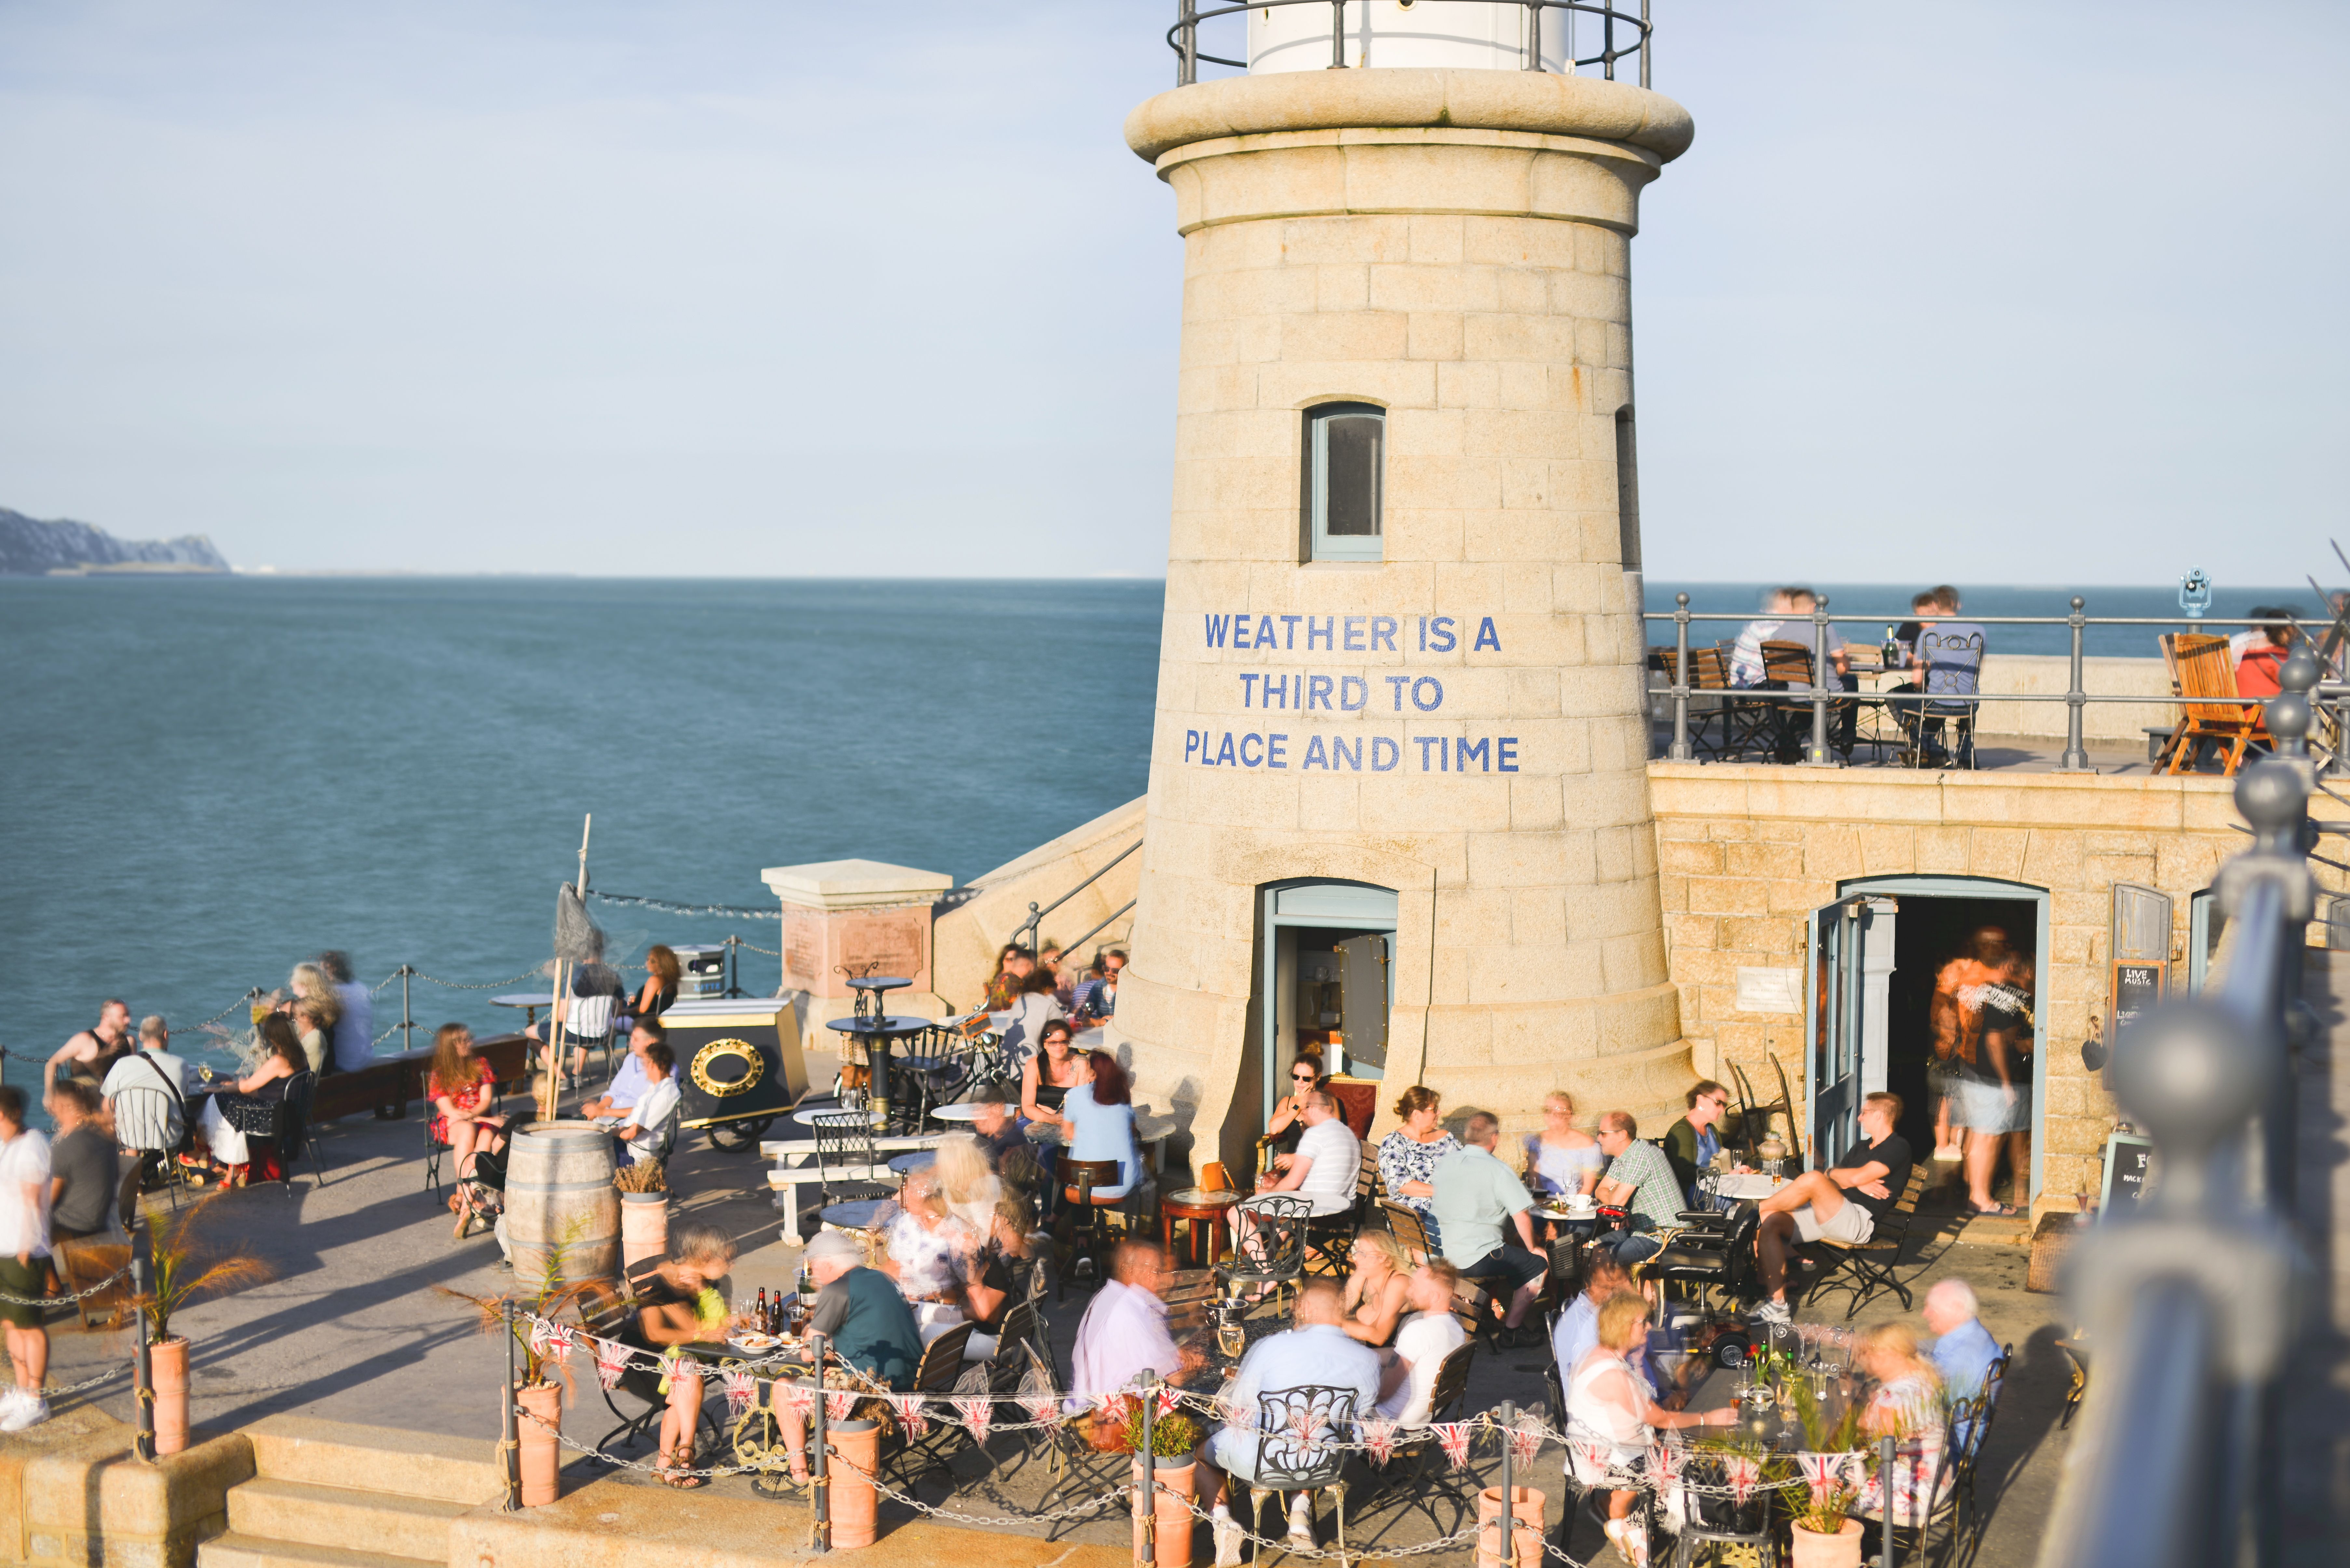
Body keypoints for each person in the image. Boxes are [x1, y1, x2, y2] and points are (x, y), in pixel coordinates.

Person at [1200, 1280, 1382, 1560]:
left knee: (1199, 1455)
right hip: (1328, 1461)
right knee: (1315, 1432)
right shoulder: (1367, 1358)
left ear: (1307, 1308)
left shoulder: (1273, 1346)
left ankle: (1224, 1522)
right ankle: (1299, 1518)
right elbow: (1362, 1413)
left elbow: (1242, 1402)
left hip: (1262, 1461)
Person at [1564, 1292, 1738, 1563]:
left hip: (1608, 1448)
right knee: (1684, 1470)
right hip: (1607, 1460)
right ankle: (1632, 1529)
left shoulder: (1602, 1354)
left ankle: (1637, 1538)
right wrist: (1709, 1417)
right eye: (1644, 1322)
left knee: (1679, 1455)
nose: (1649, 1327)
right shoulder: (1613, 1373)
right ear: (1626, 1327)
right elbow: (1659, 1419)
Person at [773, 1231, 927, 1485]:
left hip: (873, 1394)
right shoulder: (883, 1277)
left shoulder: (838, 1288)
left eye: (816, 1268)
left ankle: (798, 1472)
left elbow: (809, 1352)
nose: (815, 1276)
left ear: (829, 1263)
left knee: (782, 1387)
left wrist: (819, 1337)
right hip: (911, 1383)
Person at [1750, 1092, 1914, 1325]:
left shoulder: (1898, 1147)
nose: (1859, 1118)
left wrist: (1846, 1177)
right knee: (1770, 1221)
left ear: (1879, 1115)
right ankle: (1777, 1305)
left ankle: (1754, 1211)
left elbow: (1839, 1177)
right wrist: (1843, 1177)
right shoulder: (1861, 1148)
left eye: (1864, 1112)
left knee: (1811, 1180)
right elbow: (1835, 1178)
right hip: (1829, 1213)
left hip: (1856, 1221)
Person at [622, 1221, 738, 1488]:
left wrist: (704, 1293)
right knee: (689, 1376)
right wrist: (702, 1334)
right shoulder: (664, 1284)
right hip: (643, 1362)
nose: (731, 1265)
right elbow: (655, 1334)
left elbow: (717, 1323)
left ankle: (666, 1462)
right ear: (707, 1257)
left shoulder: (705, 1282)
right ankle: (685, 1451)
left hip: (682, 1357)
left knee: (688, 1373)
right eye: (728, 1259)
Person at [1428, 1112, 1544, 1343]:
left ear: (1468, 1136)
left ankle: (1490, 1313)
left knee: (1505, 1249)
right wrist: (1534, 1247)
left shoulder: (1446, 1163)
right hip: (1473, 1257)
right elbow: (1521, 1214)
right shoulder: (1498, 1170)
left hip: (1438, 1253)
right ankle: (1512, 1332)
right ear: (1495, 1137)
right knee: (1538, 1265)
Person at [1069, 1237, 1194, 1407]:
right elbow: (1175, 1379)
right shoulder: (1132, 1312)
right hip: (1112, 1416)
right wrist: (1196, 1363)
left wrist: (1175, 1355)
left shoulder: (1109, 1294)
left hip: (1096, 1403)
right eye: (1155, 1271)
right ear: (1128, 1271)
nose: (1158, 1278)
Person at [1852, 1322, 1949, 1528]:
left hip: (1912, 1493)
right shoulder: (1925, 1376)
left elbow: (1874, 1445)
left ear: (1890, 1355)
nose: (1864, 1360)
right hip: (1940, 1479)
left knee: (1825, 1483)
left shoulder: (1892, 1399)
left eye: (1869, 1354)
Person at [1958, 952, 2033, 1217]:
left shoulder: (1987, 992)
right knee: (1988, 1137)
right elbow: (1994, 1040)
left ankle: (1973, 1190)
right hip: (1990, 1078)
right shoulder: (2013, 995)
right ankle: (1980, 1198)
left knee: (1978, 1134)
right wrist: (2006, 1082)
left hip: (1974, 1071)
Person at [195, 1014, 304, 1185]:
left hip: (273, 1118)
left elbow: (247, 1088)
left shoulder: (280, 1060)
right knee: (230, 1101)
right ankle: (222, 1159)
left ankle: (216, 1154)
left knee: (220, 1100)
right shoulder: (300, 1055)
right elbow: (268, 1090)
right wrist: (235, 1086)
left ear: (274, 1037)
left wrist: (222, 1088)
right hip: (290, 1114)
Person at [1930, 927, 2007, 1162]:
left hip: (1958, 1053)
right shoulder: (1951, 989)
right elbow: (1949, 1022)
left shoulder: (1954, 988)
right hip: (1954, 1055)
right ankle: (1948, 1146)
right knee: (1951, 1101)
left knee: (1953, 1101)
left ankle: (1953, 1146)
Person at [0, 1087, 53, 1432]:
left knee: (29, 1325)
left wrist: (25, 1246)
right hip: (4, 1248)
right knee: (9, 1323)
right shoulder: (7, 1146)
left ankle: (36, 1398)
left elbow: (34, 1197)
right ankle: (20, 1391)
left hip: (25, 1251)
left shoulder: (33, 1144)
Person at [1374, 1260, 1468, 1426]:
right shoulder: (1456, 1329)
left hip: (1391, 1421)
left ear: (1435, 1296)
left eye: (1416, 1287)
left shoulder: (1417, 1330)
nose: (1409, 1292)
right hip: (1424, 1417)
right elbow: (1403, 1356)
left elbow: (1384, 1391)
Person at [427, 1023, 506, 1219]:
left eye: (470, 1037)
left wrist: (478, 1117)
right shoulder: (439, 1075)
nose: (470, 1042)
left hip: (483, 1120)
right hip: (453, 1124)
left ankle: (466, 1197)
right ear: (451, 1046)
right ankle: (468, 1194)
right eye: (464, 1040)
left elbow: (486, 1100)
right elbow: (450, 1112)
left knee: (486, 1134)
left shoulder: (481, 1064)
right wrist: (478, 1117)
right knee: (468, 1130)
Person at [1244, 1090, 1358, 1221]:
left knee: (1242, 1212)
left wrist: (1267, 1195)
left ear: (1313, 1109)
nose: (1302, 1115)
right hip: (1344, 1210)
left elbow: (1293, 1183)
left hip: (1317, 1210)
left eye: (1304, 1109)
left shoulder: (1315, 1134)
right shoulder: (1349, 1134)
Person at [1910, 587, 1987, 768]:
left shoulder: (1928, 635)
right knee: (1968, 703)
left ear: (1936, 605)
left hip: (1937, 703)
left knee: (1902, 703)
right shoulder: (1979, 632)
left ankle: (1935, 753)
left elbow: (1917, 680)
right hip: (1969, 702)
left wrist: (1925, 687)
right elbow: (1978, 669)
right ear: (1957, 604)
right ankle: (1965, 759)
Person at [1376, 1085, 1459, 1251]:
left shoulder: (1446, 1138)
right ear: (1416, 1114)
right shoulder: (1394, 1143)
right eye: (1434, 1109)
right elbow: (1402, 1185)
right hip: (1415, 1215)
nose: (1439, 1113)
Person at [103, 1016, 195, 1159]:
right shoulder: (181, 1064)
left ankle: (130, 1173)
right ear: (166, 1035)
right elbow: (184, 1100)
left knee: (132, 1130)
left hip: (129, 1135)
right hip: (167, 1136)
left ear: (140, 1036)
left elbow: (107, 1106)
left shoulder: (122, 1064)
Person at [1592, 1111, 1682, 1256]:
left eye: (1603, 1133)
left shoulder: (1640, 1156)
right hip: (1640, 1231)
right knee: (1589, 1248)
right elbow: (1600, 1191)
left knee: (1601, 1257)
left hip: (1663, 1235)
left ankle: (1625, 1279)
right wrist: (1619, 1204)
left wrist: (1618, 1201)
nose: (1598, 1138)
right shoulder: (1623, 1156)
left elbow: (1616, 1201)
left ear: (1622, 1135)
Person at [532, 957, 629, 1091]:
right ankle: (577, 1075)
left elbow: (560, 1017)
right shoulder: (613, 977)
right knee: (582, 1033)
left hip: (577, 1033)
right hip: (601, 1034)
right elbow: (617, 1013)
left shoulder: (574, 978)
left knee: (530, 1033)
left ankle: (562, 1077)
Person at [44, 1082, 118, 1246]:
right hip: (99, 1219)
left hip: (75, 1226)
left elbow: (50, 1200)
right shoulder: (103, 1132)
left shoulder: (68, 1145)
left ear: (62, 1106)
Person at [1062, 1050, 1141, 1202]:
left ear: (1092, 1073)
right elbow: (1131, 1129)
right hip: (1125, 1184)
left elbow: (1070, 1135)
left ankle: (1055, 1221)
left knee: (1068, 1173)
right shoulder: (1123, 1096)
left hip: (1086, 1181)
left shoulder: (1076, 1094)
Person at [1548, 1249, 1634, 1379]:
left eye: (1616, 1288)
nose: (1612, 1295)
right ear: (1590, 1285)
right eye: (1607, 1288)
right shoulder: (1587, 1323)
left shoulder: (1593, 1311)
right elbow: (1600, 1378)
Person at [1922, 1278, 2000, 1402]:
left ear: (1957, 1309)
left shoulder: (1960, 1358)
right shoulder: (1976, 1333)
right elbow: (1936, 1346)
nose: (1925, 1314)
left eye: (1932, 1308)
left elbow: (1934, 1403)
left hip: (1953, 1417)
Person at [1521, 1090, 1603, 1201]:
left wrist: (1569, 1209)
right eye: (1548, 1111)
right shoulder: (1537, 1142)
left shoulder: (1588, 1146)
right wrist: (1546, 1208)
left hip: (1575, 1204)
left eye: (1559, 1112)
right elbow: (1535, 1182)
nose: (1552, 1116)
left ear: (1570, 1115)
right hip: (1544, 1204)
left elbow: (1588, 1187)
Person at [45, 999, 134, 1099]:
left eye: (128, 1016)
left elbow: (131, 1075)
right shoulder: (85, 1040)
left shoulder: (129, 1042)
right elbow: (53, 1062)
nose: (128, 1021)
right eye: (123, 1016)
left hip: (116, 1106)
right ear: (106, 1017)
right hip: (85, 1105)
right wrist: (49, 1095)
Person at [578, 1017, 662, 1122]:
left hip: (630, 1122)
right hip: (610, 1117)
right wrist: (596, 1111)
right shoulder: (631, 1059)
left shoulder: (663, 1071)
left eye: (636, 1040)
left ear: (651, 1042)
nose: (630, 1043)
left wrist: (603, 1112)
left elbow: (649, 1110)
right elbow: (614, 1093)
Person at [1659, 1081, 1732, 1202]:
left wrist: (1736, 1171)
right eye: (1718, 1103)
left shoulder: (1711, 1130)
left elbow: (1721, 1163)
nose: (1722, 1109)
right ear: (1700, 1099)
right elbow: (1685, 1172)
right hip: (1693, 1193)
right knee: (1745, 1208)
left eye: (1724, 1105)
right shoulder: (1682, 1131)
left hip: (1717, 1187)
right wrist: (1722, 1175)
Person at [1339, 1230, 1414, 1347]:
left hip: (1393, 1357)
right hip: (1366, 1350)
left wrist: (1334, 1323)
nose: (1357, 1259)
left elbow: (1380, 1337)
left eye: (1363, 1254)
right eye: (1356, 1252)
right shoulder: (1364, 1273)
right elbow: (1341, 1308)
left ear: (1382, 1258)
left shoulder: (1398, 1284)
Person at [613, 1041, 680, 1167]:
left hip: (634, 1154)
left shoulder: (663, 1096)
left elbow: (630, 1134)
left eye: (645, 1064)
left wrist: (605, 1134)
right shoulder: (658, 1089)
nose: (643, 1069)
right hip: (630, 1145)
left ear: (655, 1065)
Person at [1019, 1019, 1084, 1137]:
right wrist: (1050, 1118)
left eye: (1063, 1042)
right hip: (1038, 1121)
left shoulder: (1081, 1064)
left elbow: (1083, 1107)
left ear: (1069, 1042)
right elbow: (1027, 1107)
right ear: (1045, 1044)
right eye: (1052, 1043)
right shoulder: (1034, 1065)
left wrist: (1055, 1114)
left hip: (1072, 1125)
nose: (1058, 1046)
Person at [1262, 1051, 1326, 1171]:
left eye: (1306, 1078)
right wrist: (1298, 1106)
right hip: (1290, 1169)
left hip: (1316, 1168)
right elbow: (1274, 1129)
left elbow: (1331, 1139)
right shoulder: (1287, 1102)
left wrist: (1297, 1158)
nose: (1300, 1082)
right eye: (1296, 1077)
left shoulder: (1327, 1102)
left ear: (1317, 1077)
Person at [319, 952, 375, 1075]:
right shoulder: (361, 988)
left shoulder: (332, 993)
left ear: (330, 971)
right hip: (366, 1059)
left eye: (322, 970)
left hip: (344, 1064)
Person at [1000, 966, 1066, 1062]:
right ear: (1047, 988)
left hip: (1007, 1059)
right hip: (1032, 1061)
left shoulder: (1020, 1001)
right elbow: (1064, 1030)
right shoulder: (1048, 1004)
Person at [633, 945, 682, 1022]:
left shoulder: (655, 980)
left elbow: (642, 1010)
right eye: (648, 959)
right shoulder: (670, 980)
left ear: (662, 964)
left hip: (646, 1023)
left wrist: (624, 1011)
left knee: (611, 1022)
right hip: (660, 1021)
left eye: (653, 961)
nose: (648, 963)